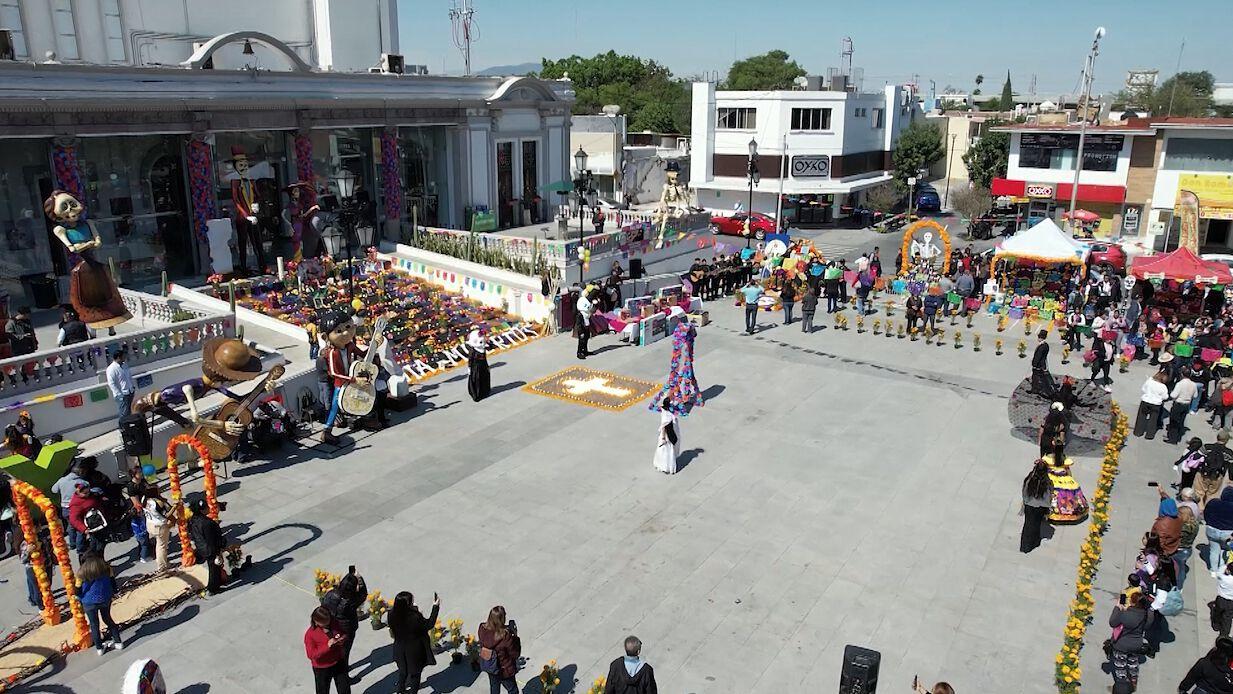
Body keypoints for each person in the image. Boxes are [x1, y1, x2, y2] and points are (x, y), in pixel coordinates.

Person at [388, 591, 440, 694]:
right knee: (415, 675)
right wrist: (435, 607)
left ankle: (400, 690)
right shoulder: (414, 617)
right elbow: (429, 624)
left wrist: (413, 610)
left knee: (403, 672)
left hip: (399, 649)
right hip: (414, 652)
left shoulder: (391, 614)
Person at [322, 569, 368, 670]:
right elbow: (364, 594)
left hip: (332, 626)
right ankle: (343, 673)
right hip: (346, 629)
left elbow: (323, 607)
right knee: (345, 652)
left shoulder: (330, 594)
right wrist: (360, 579)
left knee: (336, 649)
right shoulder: (352, 601)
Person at [1109, 589, 1153, 690]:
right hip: (1136, 644)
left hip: (1121, 644)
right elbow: (1146, 626)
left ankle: (1122, 687)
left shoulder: (1125, 614)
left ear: (1132, 602)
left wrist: (1117, 608)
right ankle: (1133, 681)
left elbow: (1112, 622)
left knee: (1120, 666)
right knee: (1133, 662)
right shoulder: (1146, 615)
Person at [78, 554, 123, 654]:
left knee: (94, 625)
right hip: (105, 598)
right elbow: (113, 582)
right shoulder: (106, 568)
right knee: (108, 619)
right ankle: (118, 642)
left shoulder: (81, 573)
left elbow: (77, 590)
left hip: (89, 602)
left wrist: (79, 598)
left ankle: (99, 648)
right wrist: (114, 593)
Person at [305, 605, 351, 694]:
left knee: (344, 688)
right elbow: (311, 655)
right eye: (324, 623)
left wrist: (342, 639)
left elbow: (342, 633)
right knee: (323, 691)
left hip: (338, 661)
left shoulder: (333, 622)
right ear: (316, 621)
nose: (328, 624)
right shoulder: (310, 635)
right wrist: (327, 646)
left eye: (329, 621)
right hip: (322, 667)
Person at [477, 605, 521, 694]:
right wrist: (515, 637)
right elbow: (515, 654)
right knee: (513, 690)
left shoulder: (482, 628)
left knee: (494, 688)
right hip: (504, 669)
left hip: (491, 667)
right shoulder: (506, 636)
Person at [187, 498, 226, 595]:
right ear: (201, 510)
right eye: (206, 507)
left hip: (201, 547)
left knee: (213, 567)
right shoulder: (207, 523)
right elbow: (212, 539)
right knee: (214, 568)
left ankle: (217, 581)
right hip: (210, 549)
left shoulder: (193, 520)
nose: (208, 508)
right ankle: (213, 588)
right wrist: (219, 549)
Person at [1044, 443, 1088, 524]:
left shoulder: (1049, 457)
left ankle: (1052, 512)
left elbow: (1045, 468)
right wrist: (1070, 479)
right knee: (1069, 495)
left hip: (1052, 477)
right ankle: (1070, 512)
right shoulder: (1064, 458)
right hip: (1064, 478)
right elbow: (1068, 471)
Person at [137, 485, 174, 572]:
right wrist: (175, 506)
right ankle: (162, 566)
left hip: (150, 524)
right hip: (159, 526)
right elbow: (167, 515)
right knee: (162, 546)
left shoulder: (144, 499)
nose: (160, 491)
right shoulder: (157, 503)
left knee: (159, 544)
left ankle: (162, 562)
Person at [1021, 459, 1052, 553]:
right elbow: (1048, 496)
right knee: (1036, 524)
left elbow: (1024, 491)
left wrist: (1025, 502)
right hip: (1040, 507)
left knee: (1028, 524)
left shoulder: (1030, 478)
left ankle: (1025, 545)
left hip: (1029, 505)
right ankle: (1034, 542)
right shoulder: (1047, 482)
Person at [1168, 368, 1201, 444]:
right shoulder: (1193, 384)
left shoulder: (1180, 384)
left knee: (1174, 421)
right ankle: (1178, 436)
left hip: (1178, 404)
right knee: (1181, 421)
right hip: (1186, 405)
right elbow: (1195, 395)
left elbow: (1173, 395)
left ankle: (1172, 439)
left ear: (1182, 374)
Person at [1134, 371, 1170, 440]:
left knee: (1141, 417)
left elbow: (1143, 389)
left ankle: (1138, 432)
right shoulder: (1163, 387)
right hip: (1156, 404)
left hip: (1145, 401)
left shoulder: (1149, 382)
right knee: (1153, 420)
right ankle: (1149, 435)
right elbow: (1165, 397)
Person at [1200, 432, 1233, 506]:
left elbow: (1199, 459)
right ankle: (1206, 509)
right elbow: (1231, 467)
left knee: (1200, 492)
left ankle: (1199, 508)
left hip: (1204, 473)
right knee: (1211, 495)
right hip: (1217, 476)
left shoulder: (1206, 447)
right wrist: (1231, 478)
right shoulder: (1229, 453)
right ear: (1226, 440)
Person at [106, 348, 136, 422]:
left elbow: (129, 377)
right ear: (119, 357)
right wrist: (119, 394)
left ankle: (129, 426)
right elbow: (111, 383)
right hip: (122, 395)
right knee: (123, 413)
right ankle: (123, 428)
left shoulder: (125, 365)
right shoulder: (111, 368)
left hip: (130, 392)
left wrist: (132, 387)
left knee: (129, 411)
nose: (125, 358)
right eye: (123, 356)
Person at [653, 396, 680, 475]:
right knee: (668, 451)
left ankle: (662, 465)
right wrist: (663, 437)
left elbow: (653, 406)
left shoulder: (662, 409)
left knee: (662, 451)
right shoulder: (668, 415)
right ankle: (666, 467)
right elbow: (664, 427)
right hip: (667, 435)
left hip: (666, 434)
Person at [1209, 488, 1233, 575]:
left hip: (1212, 529)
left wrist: (1209, 523)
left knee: (1214, 550)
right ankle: (1222, 568)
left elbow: (1206, 513)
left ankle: (1213, 571)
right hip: (1228, 533)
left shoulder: (1213, 502)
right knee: (1225, 550)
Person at [466, 326, 492, 402]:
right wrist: (469, 367)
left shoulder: (482, 349)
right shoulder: (473, 351)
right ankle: (476, 394)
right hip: (476, 366)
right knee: (476, 378)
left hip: (483, 364)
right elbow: (470, 359)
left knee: (485, 376)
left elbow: (484, 357)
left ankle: (485, 391)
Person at [1030, 329, 1054, 397]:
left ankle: (1036, 389)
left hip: (1038, 365)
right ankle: (1036, 388)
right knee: (1038, 377)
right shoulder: (1045, 345)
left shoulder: (1042, 346)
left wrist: (1034, 364)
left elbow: (1038, 356)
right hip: (1041, 364)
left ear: (1040, 338)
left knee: (1036, 377)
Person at [575, 288, 594, 359]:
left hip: (586, 323)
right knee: (581, 339)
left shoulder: (586, 313)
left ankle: (585, 350)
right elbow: (579, 323)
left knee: (586, 337)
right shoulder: (580, 314)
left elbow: (589, 309)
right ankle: (579, 352)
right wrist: (580, 331)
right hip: (582, 325)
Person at [1215, 564, 1233, 638]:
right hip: (1231, 601)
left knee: (1218, 613)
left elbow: (1220, 569)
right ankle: (1224, 634)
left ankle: (1216, 625)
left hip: (1221, 599)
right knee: (1227, 618)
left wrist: (1226, 565)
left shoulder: (1223, 577)